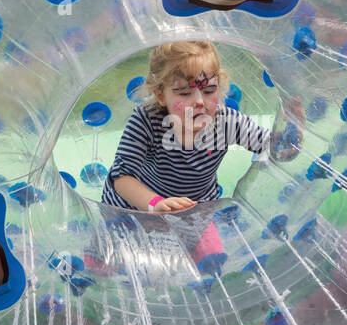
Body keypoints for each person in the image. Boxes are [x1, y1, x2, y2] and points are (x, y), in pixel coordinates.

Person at [95, 41, 304, 268]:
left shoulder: (226, 121)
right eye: (184, 92)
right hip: (136, 206)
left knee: (211, 261)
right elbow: (122, 178)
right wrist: (155, 204)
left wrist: (295, 129)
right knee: (107, 263)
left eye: (209, 90)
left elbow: (278, 151)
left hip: (193, 210)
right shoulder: (147, 119)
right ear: (161, 95)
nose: (199, 102)